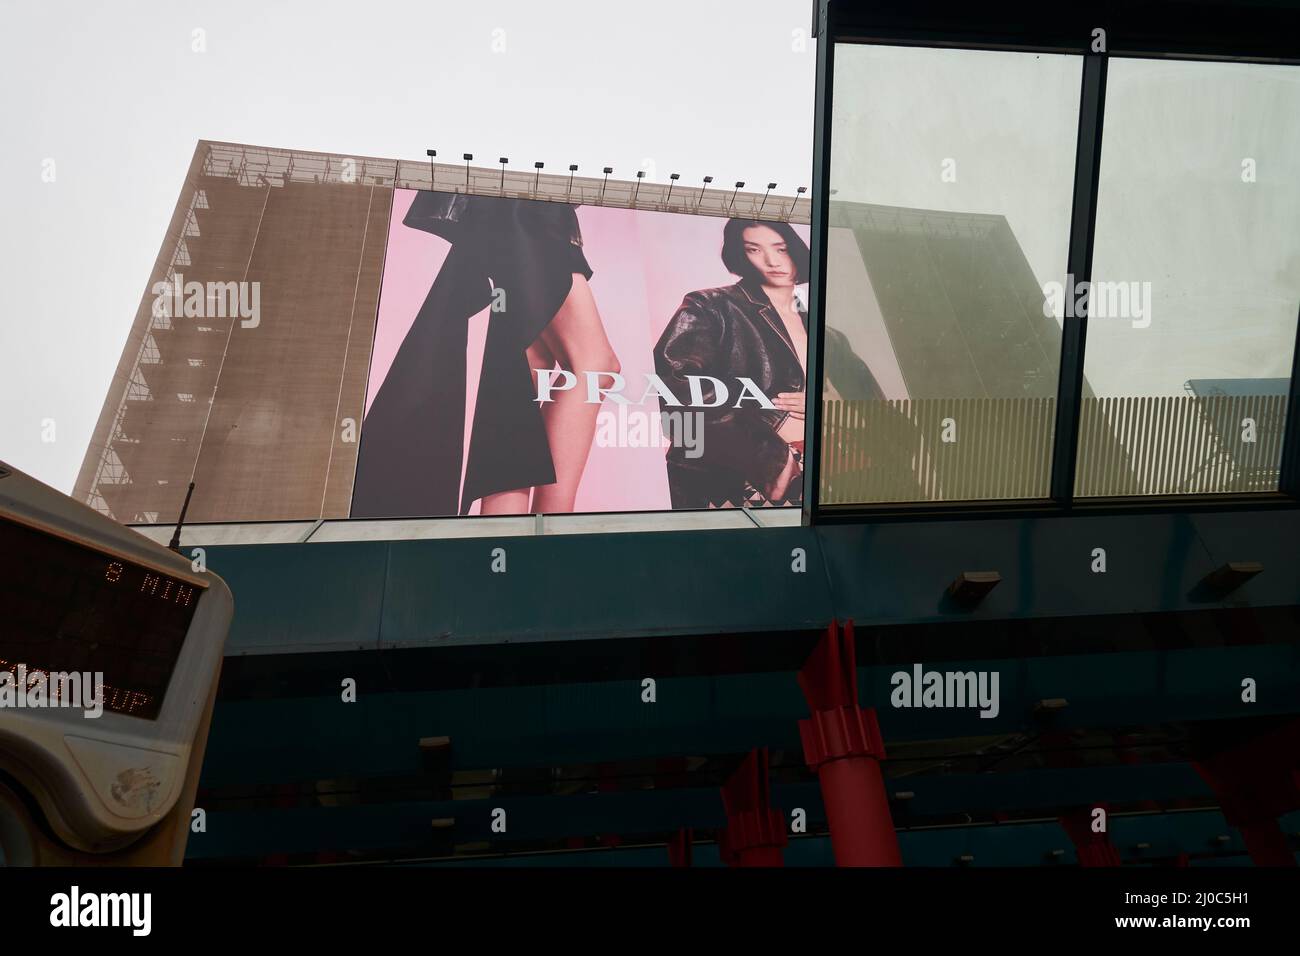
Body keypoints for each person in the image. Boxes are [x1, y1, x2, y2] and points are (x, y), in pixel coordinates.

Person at [352, 191, 618, 518]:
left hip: (520, 208)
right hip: (524, 209)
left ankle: (512, 532)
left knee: (528, 373)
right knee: (593, 365)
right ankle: (553, 527)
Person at [654, 218, 883, 509]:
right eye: (754, 250)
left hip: (835, 469)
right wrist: (768, 450)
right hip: (745, 475)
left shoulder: (829, 335)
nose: (772, 261)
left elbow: (876, 410)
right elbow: (672, 388)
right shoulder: (713, 305)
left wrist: (831, 408)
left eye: (781, 248)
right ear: (741, 256)